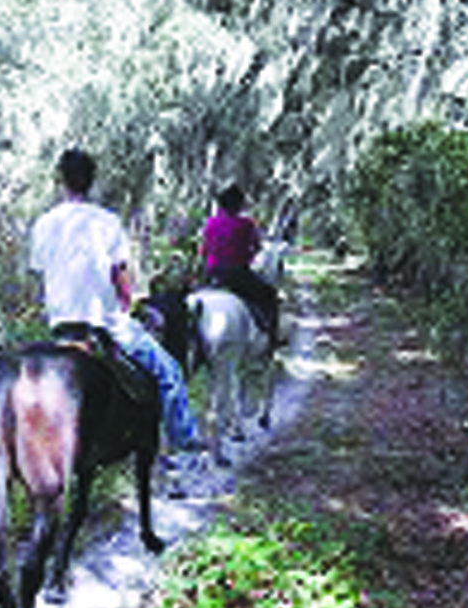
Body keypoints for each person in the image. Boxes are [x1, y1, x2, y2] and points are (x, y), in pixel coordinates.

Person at [29, 148, 202, 458]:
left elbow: (40, 276)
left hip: (59, 324)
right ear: (91, 181)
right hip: (103, 322)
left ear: (61, 181)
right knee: (170, 373)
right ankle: (184, 444)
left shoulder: (44, 223)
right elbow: (121, 277)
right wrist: (129, 305)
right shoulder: (107, 222)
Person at [200, 183, 281, 351]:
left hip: (213, 273)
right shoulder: (247, 224)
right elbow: (256, 247)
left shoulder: (211, 223)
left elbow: (203, 250)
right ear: (239, 205)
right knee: (270, 296)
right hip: (238, 274)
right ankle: (272, 340)